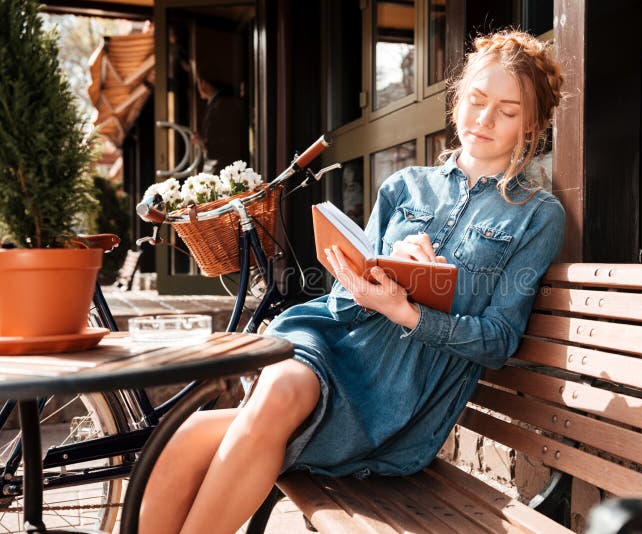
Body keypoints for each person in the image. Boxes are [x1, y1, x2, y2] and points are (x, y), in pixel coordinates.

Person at [140, 28, 566, 534]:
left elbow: (498, 340)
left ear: (533, 123)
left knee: (186, 435)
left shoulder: (536, 215)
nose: (484, 119)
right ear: (457, 100)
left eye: (508, 110)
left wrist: (406, 311)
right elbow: (343, 302)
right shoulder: (404, 186)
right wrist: (381, 266)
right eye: (475, 100)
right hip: (328, 343)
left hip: (392, 399)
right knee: (261, 403)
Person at [193, 73, 248, 173]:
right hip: (221, 164)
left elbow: (227, 139)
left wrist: (204, 144)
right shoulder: (218, 103)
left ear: (204, 84)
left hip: (224, 166)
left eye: (197, 83)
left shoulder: (222, 105)